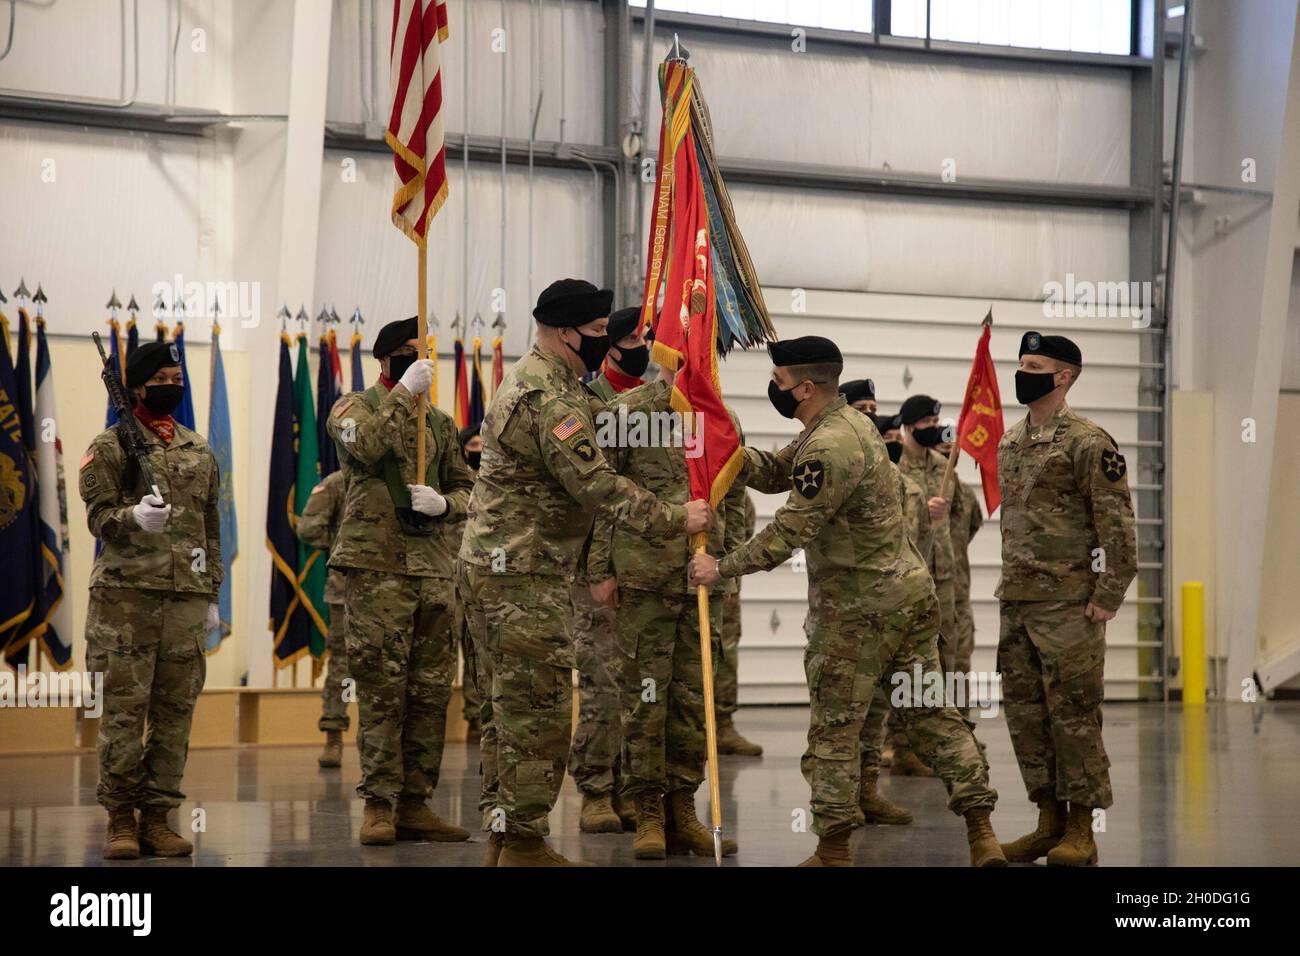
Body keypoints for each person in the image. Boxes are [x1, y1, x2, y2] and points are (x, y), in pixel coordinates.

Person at [689, 336, 1004, 868]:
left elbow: (789, 530)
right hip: (907, 598)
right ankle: (982, 832)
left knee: (835, 727)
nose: (775, 388)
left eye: (780, 382)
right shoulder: (848, 426)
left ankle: (833, 850)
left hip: (860, 611)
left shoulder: (828, 446)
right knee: (932, 716)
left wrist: (721, 567)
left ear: (805, 387)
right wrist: (726, 450)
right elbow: (774, 472)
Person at [459, 279, 713, 867]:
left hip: (504, 570)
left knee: (505, 710)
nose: (606, 342)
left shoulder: (545, 379)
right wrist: (676, 517)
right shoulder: (547, 399)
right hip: (522, 575)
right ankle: (523, 842)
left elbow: (601, 417)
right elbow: (596, 484)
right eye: (599, 333)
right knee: (537, 708)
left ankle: (504, 835)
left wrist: (661, 393)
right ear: (567, 331)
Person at [327, 316, 474, 847]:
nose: (418, 362)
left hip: (435, 571)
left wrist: (446, 504)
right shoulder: (351, 408)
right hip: (379, 572)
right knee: (383, 693)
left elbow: (469, 489)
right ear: (386, 359)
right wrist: (402, 396)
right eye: (408, 354)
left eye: (423, 353)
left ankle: (416, 803)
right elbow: (364, 447)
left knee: (431, 695)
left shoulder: (438, 423)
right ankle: (379, 805)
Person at [587, 363, 743, 860]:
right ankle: (647, 811)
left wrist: (728, 562)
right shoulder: (626, 413)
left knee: (694, 703)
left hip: (699, 581)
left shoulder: (721, 418)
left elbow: (732, 500)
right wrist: (600, 569)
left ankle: (683, 810)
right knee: (644, 701)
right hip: (644, 576)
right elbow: (598, 495)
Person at [996, 332, 1136, 867]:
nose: (1022, 371)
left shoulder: (1088, 441)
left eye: (1034, 365)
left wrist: (1108, 593)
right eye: (1021, 362)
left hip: (1070, 607)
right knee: (1027, 717)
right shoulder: (1011, 442)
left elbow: (1117, 524)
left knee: (1074, 716)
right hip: (1018, 603)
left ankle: (1082, 829)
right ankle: (1047, 822)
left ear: (1063, 376)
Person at [80, 341, 221, 859]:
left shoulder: (198, 449)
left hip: (186, 600)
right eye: (161, 377)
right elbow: (97, 517)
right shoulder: (111, 444)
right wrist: (131, 517)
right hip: (126, 601)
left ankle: (158, 816)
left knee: (174, 713)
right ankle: (120, 818)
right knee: (122, 713)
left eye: (176, 374)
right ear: (138, 386)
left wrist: (213, 594)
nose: (172, 384)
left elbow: (211, 527)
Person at [568, 306, 648, 834]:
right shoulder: (590, 405)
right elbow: (594, 498)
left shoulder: (658, 409)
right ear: (613, 345)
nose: (645, 348)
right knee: (600, 682)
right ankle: (596, 789)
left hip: (646, 566)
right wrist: (600, 569)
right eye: (636, 339)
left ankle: (630, 788)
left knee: (640, 686)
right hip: (598, 567)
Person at [296, 468, 351, 768]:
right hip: (345, 590)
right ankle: (333, 735)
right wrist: (343, 547)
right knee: (342, 664)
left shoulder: (394, 481)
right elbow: (308, 528)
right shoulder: (337, 483)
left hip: (392, 592)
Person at [715, 475, 763, 757]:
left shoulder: (738, 496)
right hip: (680, 581)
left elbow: (746, 525)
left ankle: (723, 726)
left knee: (726, 650)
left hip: (725, 584)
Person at [449, 423, 483, 743]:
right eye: (473, 445)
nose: (480, 450)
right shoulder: (454, 484)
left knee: (475, 652)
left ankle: (476, 719)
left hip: (477, 582)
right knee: (444, 652)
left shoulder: (493, 484)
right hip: (447, 582)